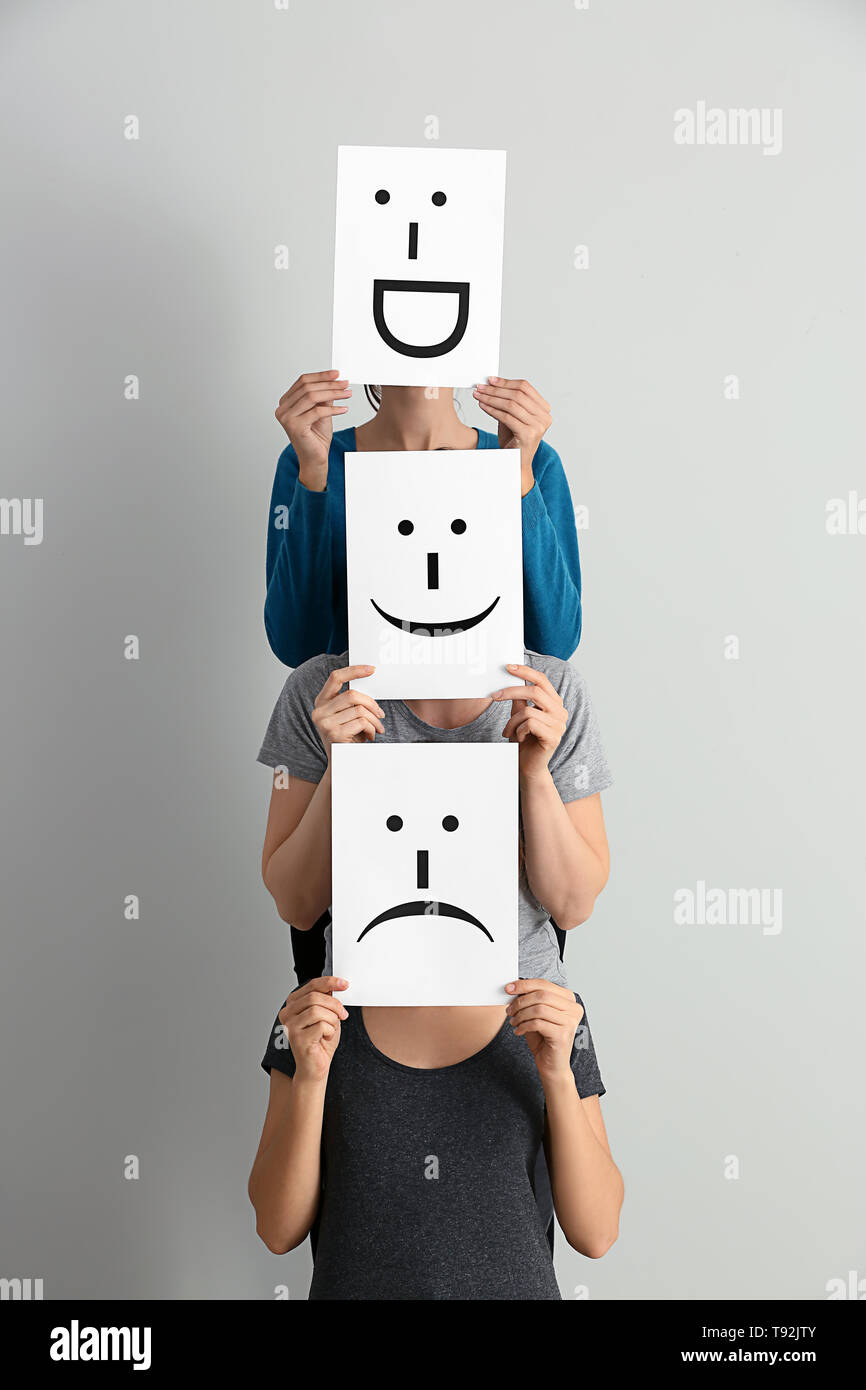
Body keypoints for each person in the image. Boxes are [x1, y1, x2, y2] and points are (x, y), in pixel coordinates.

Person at [249, 974, 624, 1300]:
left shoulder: (550, 1014)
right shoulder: (314, 1015)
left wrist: (557, 1074)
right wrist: (310, 1079)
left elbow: (597, 1233)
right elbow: (277, 1229)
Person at [265, 375, 583, 668]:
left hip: (493, 724)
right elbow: (298, 649)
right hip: (349, 723)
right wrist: (313, 476)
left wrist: (519, 478)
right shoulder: (307, 457)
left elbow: (555, 645)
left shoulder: (532, 460)